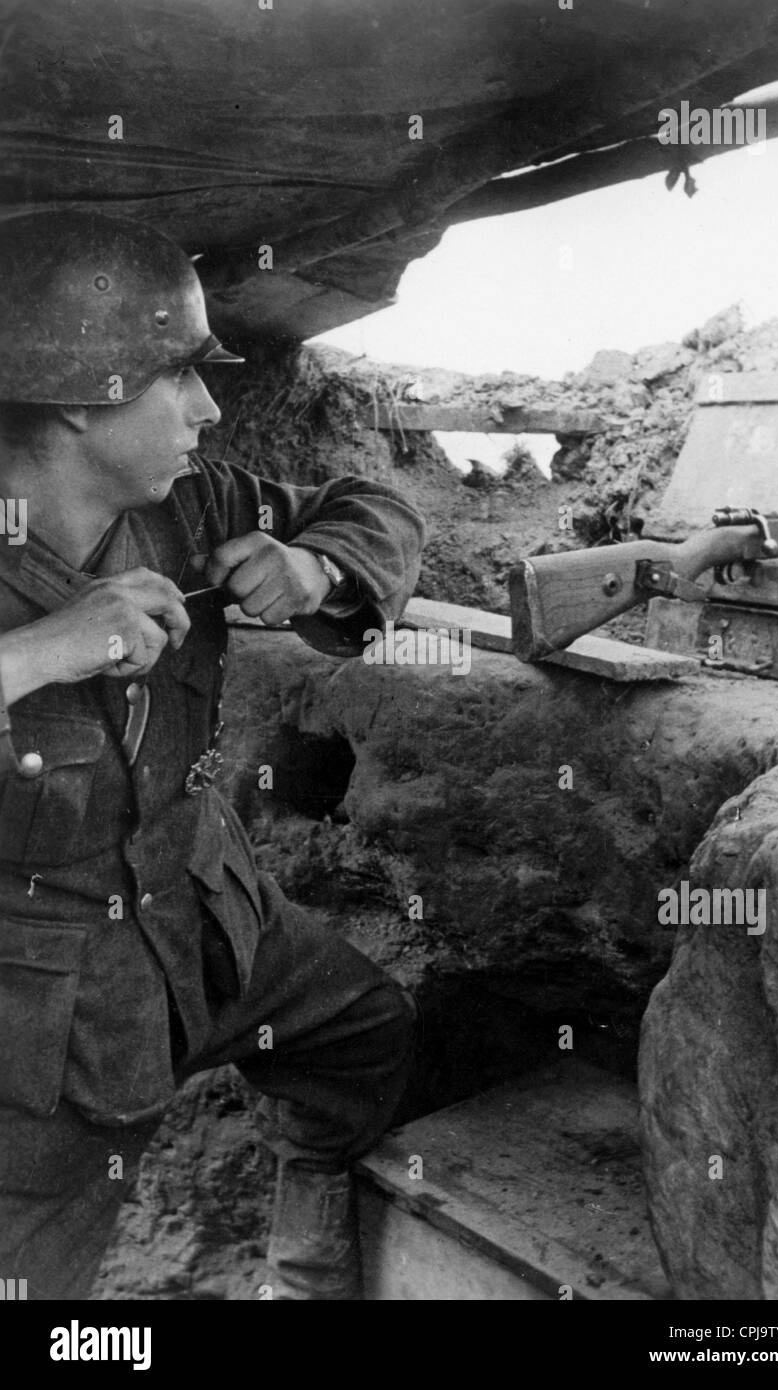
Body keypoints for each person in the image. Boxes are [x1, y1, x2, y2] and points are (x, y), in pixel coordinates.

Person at [0, 209, 425, 1300]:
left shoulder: (191, 505)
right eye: (178, 378)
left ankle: (303, 1269)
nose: (210, 408)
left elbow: (370, 504)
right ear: (80, 397)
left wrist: (317, 567)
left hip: (207, 923)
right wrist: (39, 651)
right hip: (40, 1029)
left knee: (371, 1033)